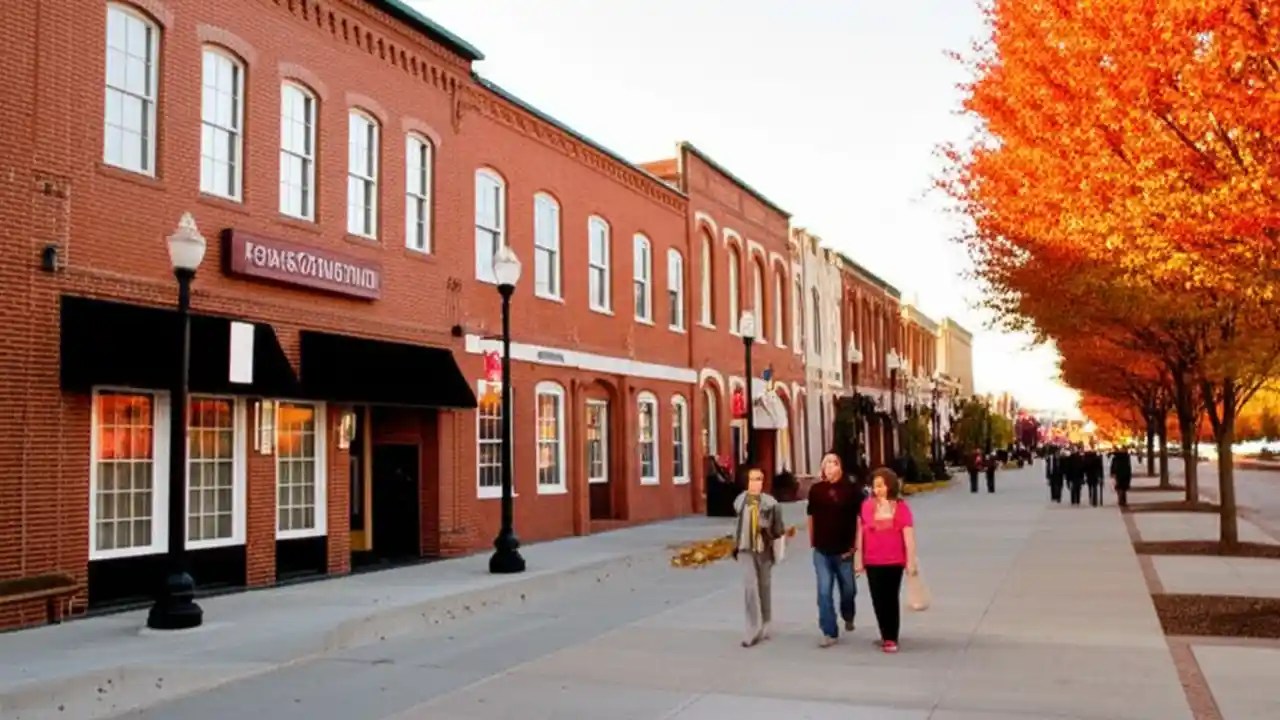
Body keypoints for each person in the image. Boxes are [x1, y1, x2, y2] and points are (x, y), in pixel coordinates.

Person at [854, 468, 918, 654]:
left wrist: (911, 561)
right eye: (875, 486)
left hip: (894, 561)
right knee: (878, 599)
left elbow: (908, 536)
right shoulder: (866, 506)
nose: (878, 490)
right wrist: (858, 560)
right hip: (873, 560)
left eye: (881, 486)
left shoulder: (901, 508)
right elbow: (861, 534)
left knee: (891, 598)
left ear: (890, 486)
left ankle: (891, 637)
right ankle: (884, 633)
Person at [807, 452, 863, 647]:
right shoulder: (816, 490)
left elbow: (860, 520)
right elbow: (811, 516)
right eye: (827, 463)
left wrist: (856, 547)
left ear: (840, 467)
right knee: (824, 591)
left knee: (848, 590)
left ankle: (848, 614)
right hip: (822, 551)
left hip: (844, 551)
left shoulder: (852, 490)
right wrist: (812, 541)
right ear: (822, 467)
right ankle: (829, 631)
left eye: (834, 462)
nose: (830, 466)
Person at [733, 467, 785, 647]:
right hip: (745, 549)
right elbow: (737, 525)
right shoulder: (740, 501)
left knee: (764, 586)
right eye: (752, 479)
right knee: (750, 588)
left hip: (764, 550)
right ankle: (751, 628)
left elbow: (779, 530)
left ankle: (766, 621)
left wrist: (767, 529)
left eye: (759, 479)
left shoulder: (771, 504)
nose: (756, 483)